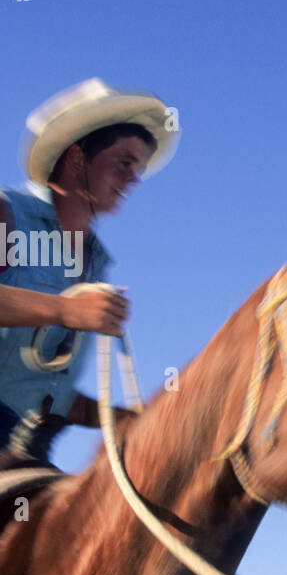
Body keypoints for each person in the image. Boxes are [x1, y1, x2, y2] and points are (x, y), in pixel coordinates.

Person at [0, 79, 177, 464]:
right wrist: (65, 311)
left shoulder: (95, 265)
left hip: (30, 452)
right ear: (77, 158)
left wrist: (131, 419)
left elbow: (48, 391)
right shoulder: (6, 214)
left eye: (140, 169)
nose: (135, 179)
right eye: (125, 162)